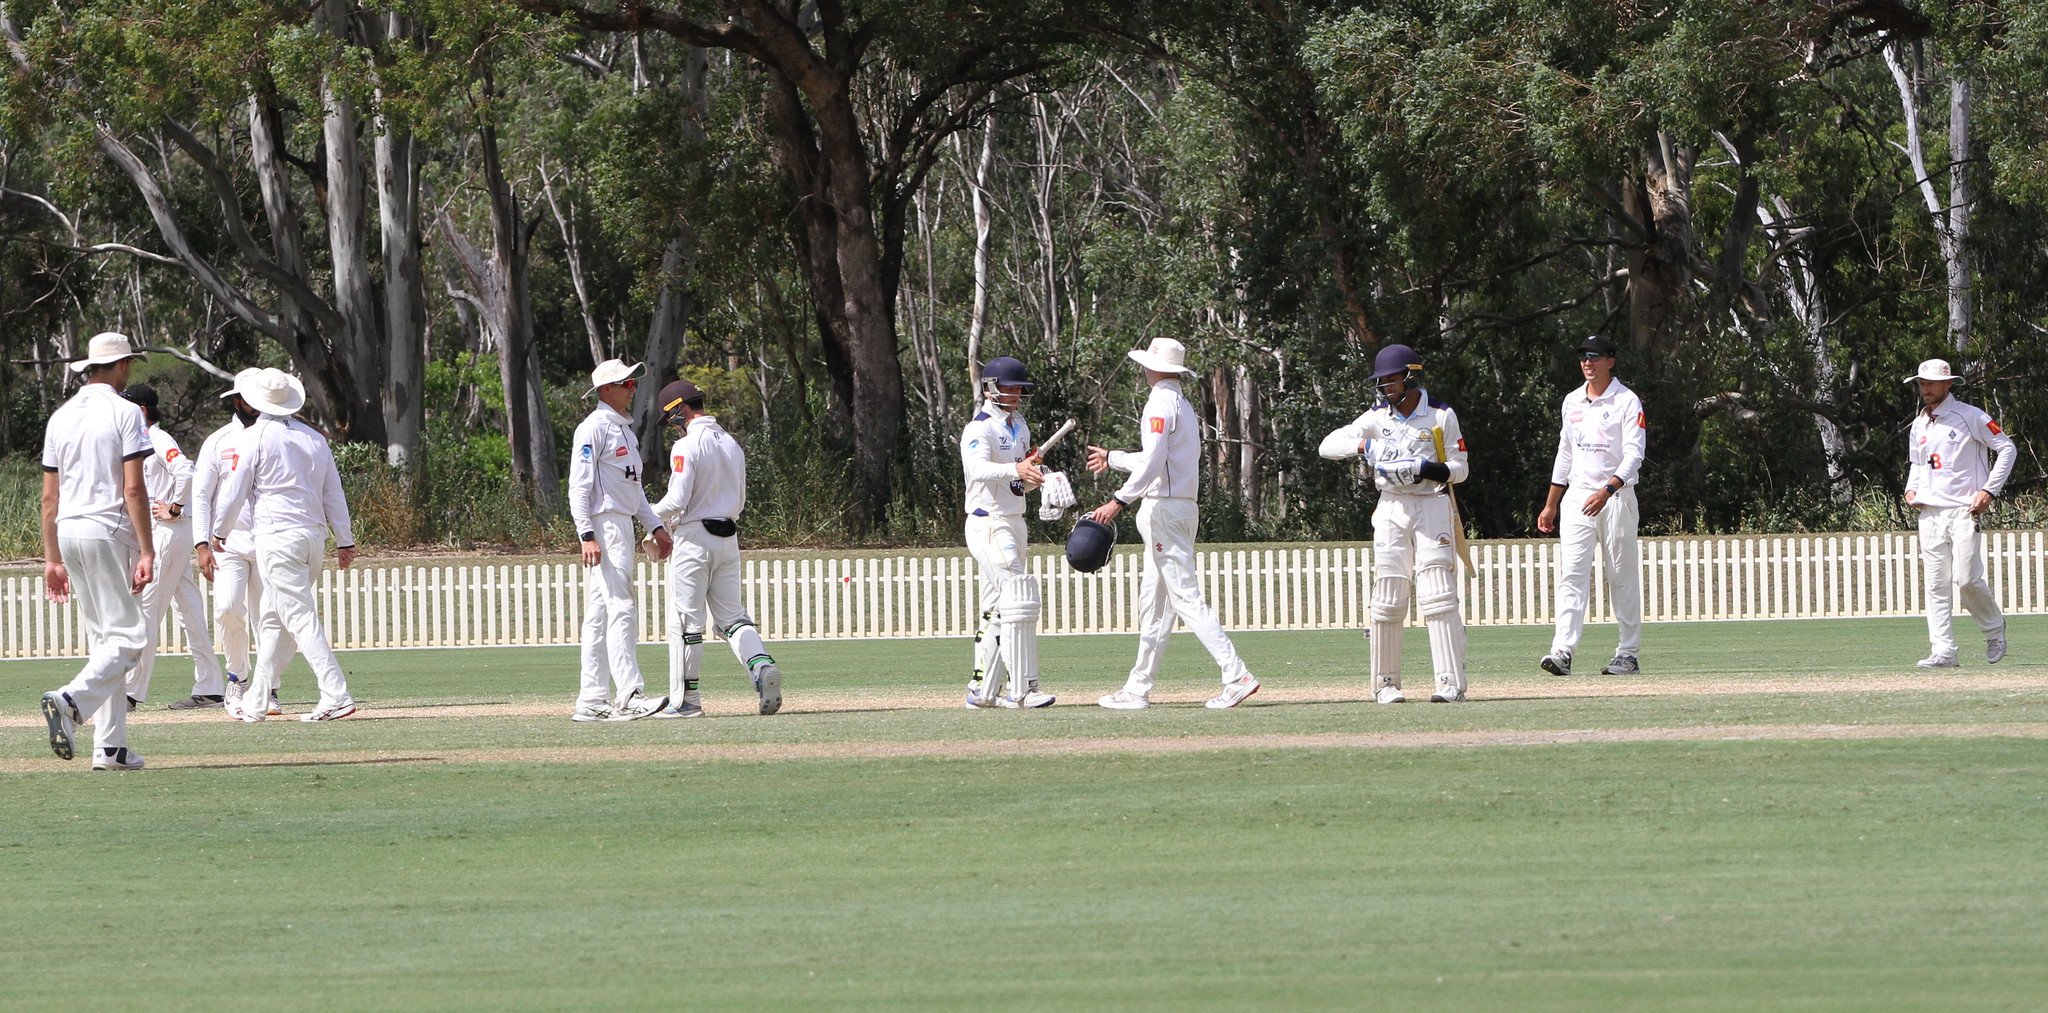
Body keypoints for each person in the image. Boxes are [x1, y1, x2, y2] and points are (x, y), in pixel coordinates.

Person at [1086, 337, 1259, 710]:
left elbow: (1152, 464)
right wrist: (1113, 457)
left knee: (1185, 598)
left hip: (1164, 509)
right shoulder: (1181, 404)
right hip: (1177, 506)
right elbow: (1158, 460)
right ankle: (1137, 687)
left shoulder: (1160, 404)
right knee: (1155, 603)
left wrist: (1118, 500)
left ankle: (1236, 674)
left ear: (1155, 368)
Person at [1318, 343, 1471, 703]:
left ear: (1410, 376)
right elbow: (1327, 445)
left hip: (1431, 503)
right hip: (1391, 507)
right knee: (1387, 595)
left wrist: (1425, 469)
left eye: (1391, 379)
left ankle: (1450, 683)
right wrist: (1364, 448)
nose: (1386, 386)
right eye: (1381, 381)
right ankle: (1385, 684)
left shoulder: (1439, 415)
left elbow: (1460, 469)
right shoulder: (1376, 418)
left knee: (1438, 593)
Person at [209, 368, 360, 722]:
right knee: (276, 619)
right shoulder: (314, 438)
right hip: (312, 539)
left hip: (277, 537)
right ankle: (257, 701)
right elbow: (332, 493)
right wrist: (345, 540)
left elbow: (234, 490)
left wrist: (219, 532)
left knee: (297, 618)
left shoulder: (256, 437)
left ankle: (336, 692)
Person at [38, 331, 156, 771]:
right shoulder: (126, 412)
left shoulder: (60, 417)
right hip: (108, 530)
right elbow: (134, 489)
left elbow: (49, 498)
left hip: (69, 530)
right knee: (130, 639)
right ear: (122, 366)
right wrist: (147, 549)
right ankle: (70, 701)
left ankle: (112, 748)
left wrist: (52, 558)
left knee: (106, 641)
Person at [647, 379, 783, 717]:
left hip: (693, 539)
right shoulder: (732, 444)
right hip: (728, 537)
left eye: (673, 419)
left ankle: (686, 701)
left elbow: (677, 499)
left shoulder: (687, 446)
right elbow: (740, 499)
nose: (673, 428)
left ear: (680, 410)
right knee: (733, 618)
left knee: (687, 623)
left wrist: (646, 514)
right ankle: (761, 666)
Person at [1535, 335, 1647, 677]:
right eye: (1584, 357)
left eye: (1595, 357)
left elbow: (1634, 454)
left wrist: (1608, 490)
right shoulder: (1571, 402)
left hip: (1616, 498)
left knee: (1621, 576)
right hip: (1577, 498)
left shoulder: (1627, 401)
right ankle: (1562, 651)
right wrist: (1551, 504)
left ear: (1610, 361)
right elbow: (1565, 453)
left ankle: (1628, 653)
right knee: (1572, 574)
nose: (1587, 362)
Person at [569, 359, 673, 722]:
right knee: (622, 606)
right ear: (605, 390)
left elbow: (634, 490)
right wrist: (586, 534)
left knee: (599, 614)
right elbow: (578, 487)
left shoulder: (625, 431)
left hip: (621, 521)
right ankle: (629, 695)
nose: (632, 388)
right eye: (625, 383)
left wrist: (656, 526)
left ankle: (591, 699)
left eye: (632, 382)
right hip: (606, 525)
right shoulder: (593, 428)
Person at [119, 383, 227, 710]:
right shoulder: (139, 440)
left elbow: (185, 470)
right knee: (189, 611)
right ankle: (210, 686)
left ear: (142, 409)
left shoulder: (156, 437)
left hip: (169, 530)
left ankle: (129, 694)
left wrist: (176, 507)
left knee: (146, 610)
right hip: (169, 533)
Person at [1904, 358, 2014, 668]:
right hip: (1930, 512)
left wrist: (1989, 491)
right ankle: (1944, 651)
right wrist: (1911, 489)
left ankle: (1994, 629)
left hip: (1964, 510)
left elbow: (2007, 449)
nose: (1925, 389)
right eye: (1921, 383)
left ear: (1948, 384)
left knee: (1966, 580)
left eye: (1931, 383)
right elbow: (1917, 464)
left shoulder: (1971, 416)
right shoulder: (1919, 423)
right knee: (1937, 584)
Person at [959, 356, 1056, 709]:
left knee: (997, 608)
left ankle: (981, 692)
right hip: (987, 523)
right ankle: (1025, 689)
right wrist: (1016, 467)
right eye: (1009, 387)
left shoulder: (1020, 425)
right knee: (1019, 596)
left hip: (1014, 520)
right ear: (991, 388)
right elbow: (977, 469)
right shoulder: (979, 428)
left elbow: (1016, 485)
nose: (1015, 394)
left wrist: (1036, 479)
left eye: (1019, 389)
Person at [191, 369, 286, 715]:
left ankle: (269, 688)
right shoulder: (218, 441)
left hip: (268, 541)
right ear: (236, 400)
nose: (256, 405)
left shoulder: (279, 436)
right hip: (225, 544)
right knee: (228, 609)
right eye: (249, 398)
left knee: (268, 616)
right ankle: (237, 679)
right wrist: (201, 543)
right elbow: (201, 496)